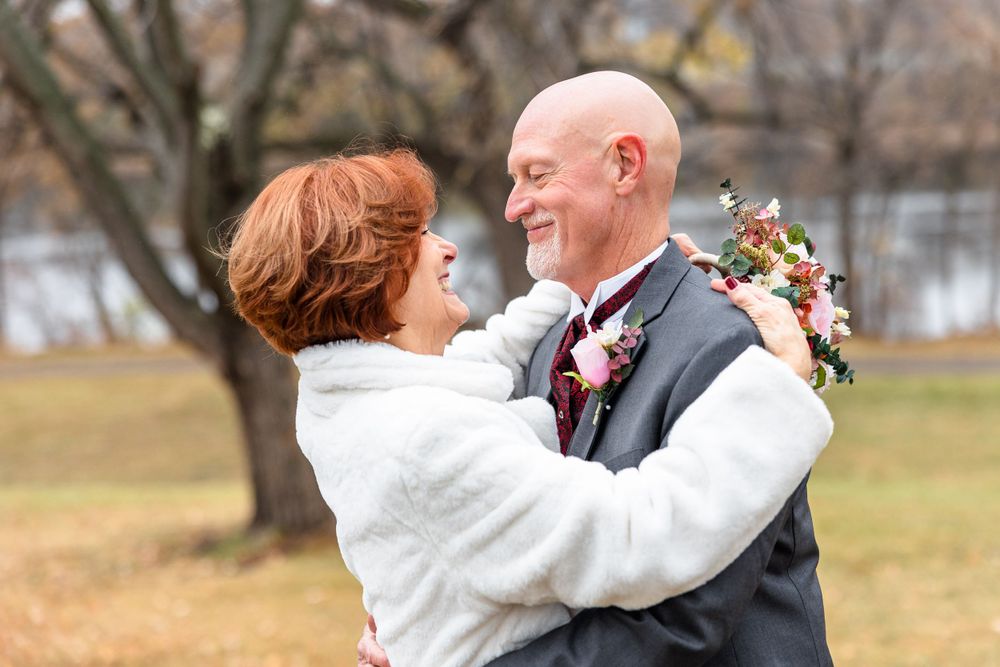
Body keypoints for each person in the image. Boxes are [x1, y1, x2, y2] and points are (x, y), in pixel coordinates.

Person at [225, 148, 831, 667]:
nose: (447, 248)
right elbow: (635, 533)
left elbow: (482, 361)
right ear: (368, 275)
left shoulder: (345, 399)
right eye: (418, 237)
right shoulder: (424, 437)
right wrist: (779, 386)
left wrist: (582, 276)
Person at [362, 71, 834, 666]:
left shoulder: (728, 345)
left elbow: (684, 620)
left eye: (537, 175)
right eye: (514, 181)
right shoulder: (546, 343)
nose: (513, 206)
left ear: (624, 166)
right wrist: (410, 631)